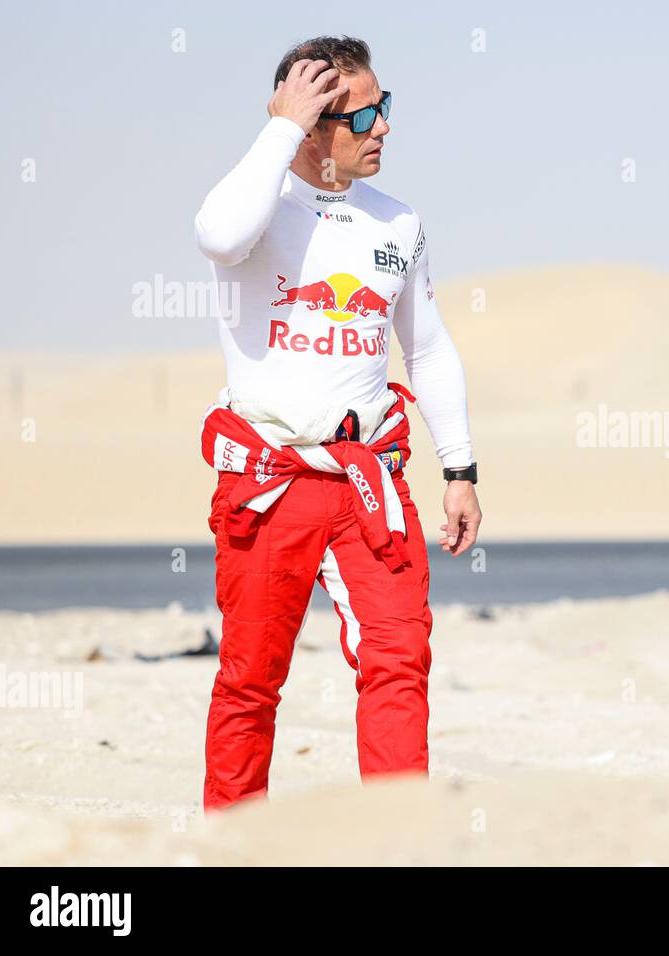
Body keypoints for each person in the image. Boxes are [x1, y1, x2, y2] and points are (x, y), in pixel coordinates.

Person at [193, 36, 481, 811]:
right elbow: (217, 234)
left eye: (387, 108)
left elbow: (427, 346)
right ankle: (234, 847)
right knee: (252, 678)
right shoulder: (255, 205)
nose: (385, 127)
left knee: (399, 660)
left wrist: (460, 468)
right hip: (270, 481)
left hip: (368, 482)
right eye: (366, 114)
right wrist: (280, 128)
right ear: (312, 124)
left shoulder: (397, 222)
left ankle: (396, 841)